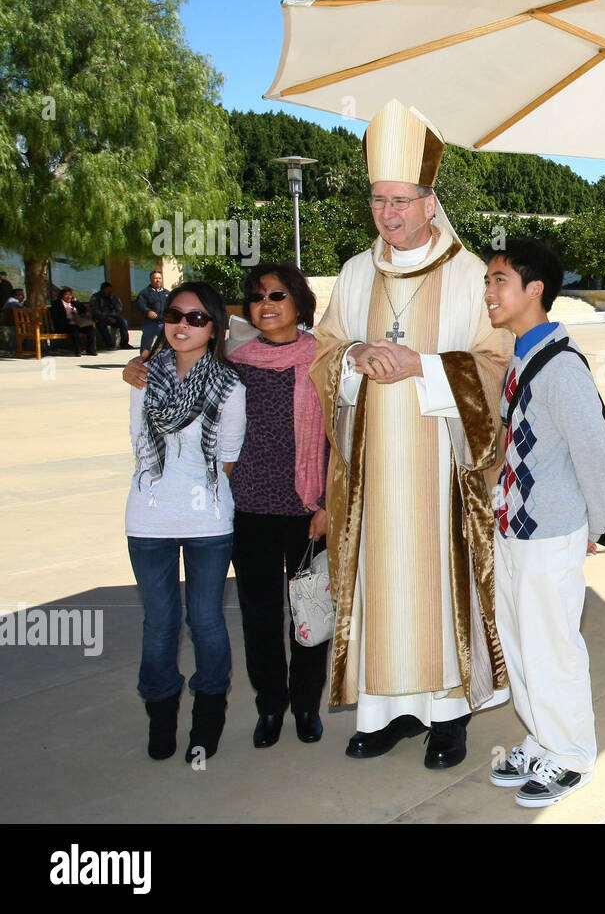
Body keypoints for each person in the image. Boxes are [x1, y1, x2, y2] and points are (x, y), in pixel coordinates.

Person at [309, 98, 512, 770]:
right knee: (376, 587)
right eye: (378, 201)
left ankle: (447, 717)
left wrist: (422, 366)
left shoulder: (469, 275)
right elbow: (322, 351)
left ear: (431, 201)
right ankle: (381, 712)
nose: (388, 214)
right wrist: (353, 359)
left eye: (401, 200)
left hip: (439, 474)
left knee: (435, 588)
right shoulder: (354, 272)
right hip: (370, 472)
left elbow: (496, 365)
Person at [485, 239, 605, 807]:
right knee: (519, 642)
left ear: (534, 290)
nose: (489, 292)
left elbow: (597, 454)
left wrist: (593, 526)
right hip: (514, 527)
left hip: (551, 532)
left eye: (499, 281)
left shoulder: (560, 365)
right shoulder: (522, 353)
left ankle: (573, 756)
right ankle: (544, 739)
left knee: (553, 647)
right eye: (488, 282)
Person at [125, 282, 245, 765]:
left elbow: (229, 458)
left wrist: (193, 488)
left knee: (206, 621)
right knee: (160, 624)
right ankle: (161, 716)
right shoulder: (142, 377)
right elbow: (139, 442)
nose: (182, 325)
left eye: (196, 319)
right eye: (175, 315)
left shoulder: (230, 384)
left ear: (214, 327)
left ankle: (208, 719)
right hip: (148, 518)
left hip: (208, 519)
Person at [227, 265, 330, 748]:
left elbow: (341, 438)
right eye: (255, 298)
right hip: (250, 510)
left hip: (307, 510)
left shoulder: (324, 359)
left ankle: (307, 704)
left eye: (277, 295)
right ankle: (270, 705)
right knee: (261, 615)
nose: (265, 305)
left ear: (299, 303)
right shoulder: (234, 361)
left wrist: (329, 503)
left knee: (310, 612)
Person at [52, 286, 98, 356]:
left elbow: (84, 310)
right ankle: (77, 350)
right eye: (66, 295)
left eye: (70, 295)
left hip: (77, 324)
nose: (69, 296)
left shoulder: (73, 303)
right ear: (62, 296)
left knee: (91, 329)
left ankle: (91, 350)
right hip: (64, 325)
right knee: (74, 328)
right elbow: (57, 317)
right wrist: (68, 321)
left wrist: (76, 302)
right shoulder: (57, 304)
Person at [90, 281, 132, 351]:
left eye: (110, 290)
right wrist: (107, 318)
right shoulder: (95, 297)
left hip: (113, 316)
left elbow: (119, 308)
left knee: (124, 322)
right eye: (107, 290)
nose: (109, 291)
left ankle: (124, 343)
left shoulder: (113, 297)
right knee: (101, 325)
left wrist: (113, 299)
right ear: (103, 290)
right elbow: (95, 310)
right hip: (101, 317)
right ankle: (109, 344)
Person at [136, 271, 169, 352]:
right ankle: (144, 362)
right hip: (150, 323)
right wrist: (148, 312)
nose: (157, 280)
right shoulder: (145, 293)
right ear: (151, 280)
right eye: (155, 278)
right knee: (146, 345)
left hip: (164, 322)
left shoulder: (167, 293)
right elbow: (140, 305)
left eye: (159, 278)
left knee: (167, 345)